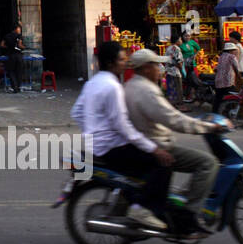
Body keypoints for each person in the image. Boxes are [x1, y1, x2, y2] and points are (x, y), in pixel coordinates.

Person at [71, 41, 175, 230]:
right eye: (121, 59)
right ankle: (143, 209)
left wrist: (93, 130)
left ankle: (134, 200)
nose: (125, 63)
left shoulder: (92, 83)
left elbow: (77, 112)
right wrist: (154, 149)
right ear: (111, 63)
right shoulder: (113, 87)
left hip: (98, 146)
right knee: (164, 162)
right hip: (113, 148)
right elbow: (123, 127)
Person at [123, 49, 228, 235]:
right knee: (207, 163)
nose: (160, 69)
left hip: (145, 143)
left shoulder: (131, 85)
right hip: (157, 145)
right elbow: (174, 120)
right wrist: (207, 127)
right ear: (146, 68)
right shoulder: (146, 91)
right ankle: (188, 214)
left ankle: (179, 201)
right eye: (156, 65)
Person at [212, 40, 243, 115]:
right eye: (233, 50)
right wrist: (239, 77)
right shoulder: (232, 57)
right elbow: (236, 68)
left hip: (218, 81)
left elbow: (216, 68)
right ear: (230, 50)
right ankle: (228, 113)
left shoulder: (221, 57)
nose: (234, 52)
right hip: (228, 81)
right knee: (231, 97)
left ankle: (215, 113)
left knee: (218, 99)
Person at [2, 23, 24, 93]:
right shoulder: (19, 36)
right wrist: (24, 47)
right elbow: (20, 45)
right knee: (19, 71)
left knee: (11, 71)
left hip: (11, 56)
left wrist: (9, 48)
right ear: (15, 29)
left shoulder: (7, 36)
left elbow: (2, 45)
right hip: (18, 56)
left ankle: (14, 87)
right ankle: (19, 87)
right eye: (19, 28)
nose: (20, 30)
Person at [179, 30, 200, 98]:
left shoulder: (192, 42)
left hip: (192, 63)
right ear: (182, 36)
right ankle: (186, 95)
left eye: (189, 36)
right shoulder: (180, 43)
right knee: (186, 79)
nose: (187, 37)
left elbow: (198, 49)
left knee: (195, 79)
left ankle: (196, 95)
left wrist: (195, 55)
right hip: (184, 64)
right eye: (185, 36)